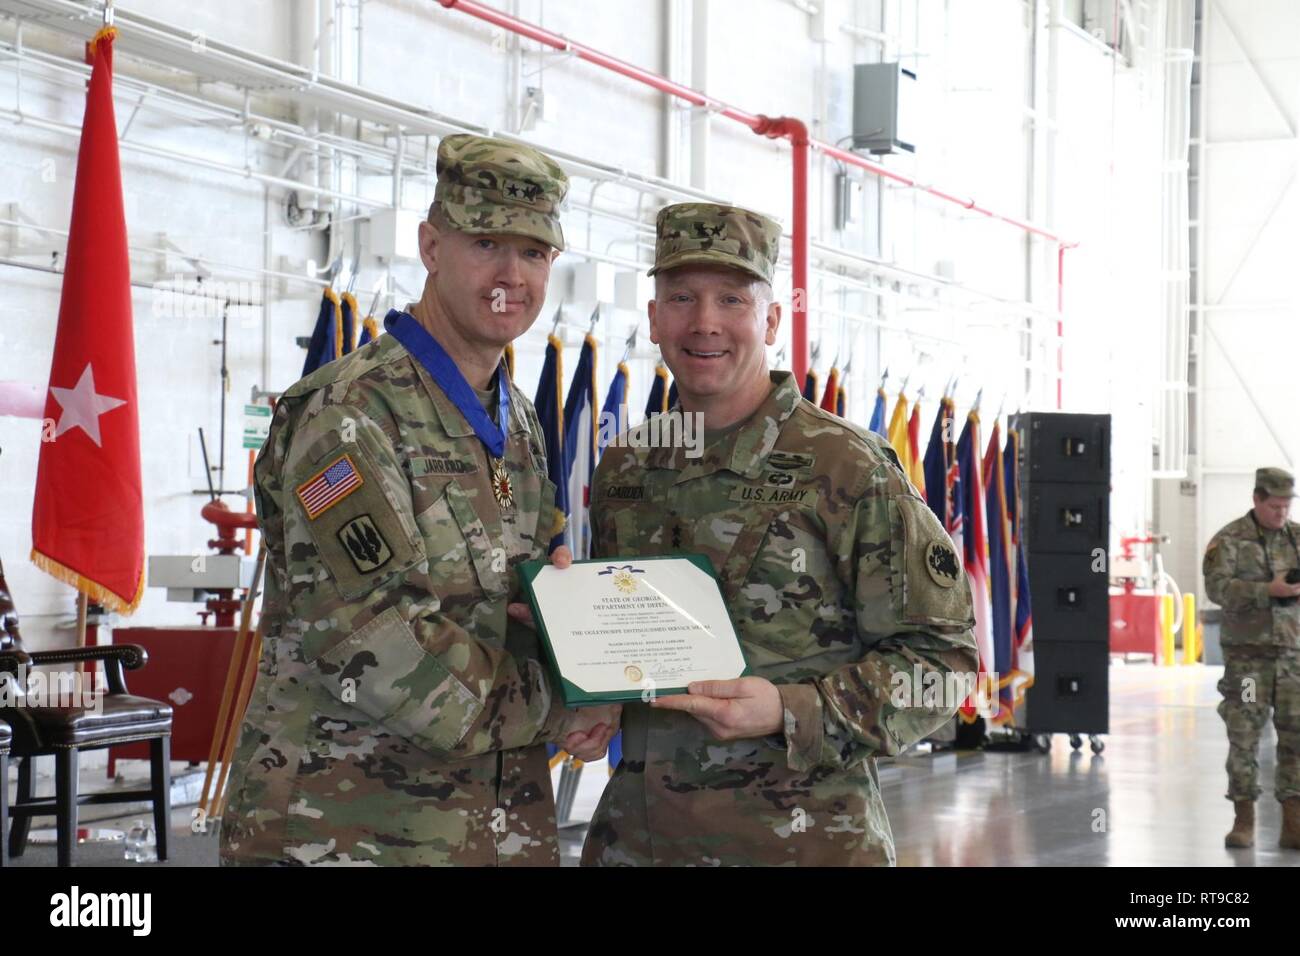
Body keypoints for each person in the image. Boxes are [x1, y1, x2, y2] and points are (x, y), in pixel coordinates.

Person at [220, 134, 618, 867]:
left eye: (534, 253)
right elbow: (377, 640)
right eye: (486, 242)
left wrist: (580, 633)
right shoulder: (350, 413)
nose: (511, 274)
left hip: (492, 828)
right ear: (431, 244)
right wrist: (562, 706)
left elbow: (528, 580)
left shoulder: (517, 419)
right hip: (346, 831)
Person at [579, 202, 978, 866]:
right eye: (681, 297)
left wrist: (791, 709)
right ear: (653, 318)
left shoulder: (845, 466)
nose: (704, 322)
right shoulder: (628, 467)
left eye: (731, 299)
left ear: (769, 319)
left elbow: (945, 668)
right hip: (641, 840)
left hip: (802, 844)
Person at [1203, 466, 1300, 850]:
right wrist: (1267, 590)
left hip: (1292, 660)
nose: (1281, 513)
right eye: (1274, 506)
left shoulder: (1297, 536)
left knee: (1296, 738)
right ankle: (1244, 820)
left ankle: (1293, 822)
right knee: (1243, 735)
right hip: (1248, 664)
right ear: (1257, 499)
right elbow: (1216, 588)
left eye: (1286, 505)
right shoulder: (1229, 540)